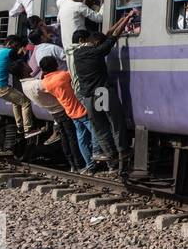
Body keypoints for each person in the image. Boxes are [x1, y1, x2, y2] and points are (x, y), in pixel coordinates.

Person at [72, 9, 137, 167]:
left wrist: (124, 18)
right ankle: (123, 150)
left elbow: (106, 35)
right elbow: (113, 37)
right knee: (115, 122)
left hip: (87, 96)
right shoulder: (97, 52)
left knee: (100, 127)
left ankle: (110, 155)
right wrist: (127, 19)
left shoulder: (77, 53)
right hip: (102, 92)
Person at [39, 55, 97, 173]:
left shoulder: (45, 83)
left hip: (70, 112)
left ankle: (90, 166)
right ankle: (103, 156)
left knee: (82, 139)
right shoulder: (63, 76)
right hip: (82, 109)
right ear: (56, 65)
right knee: (96, 132)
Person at [0, 35, 42, 141]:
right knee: (25, 102)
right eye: (16, 46)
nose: (16, 48)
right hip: (0, 87)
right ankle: (28, 130)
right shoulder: (9, 52)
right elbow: (20, 61)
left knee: (16, 102)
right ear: (11, 44)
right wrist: (24, 51)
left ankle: (20, 126)